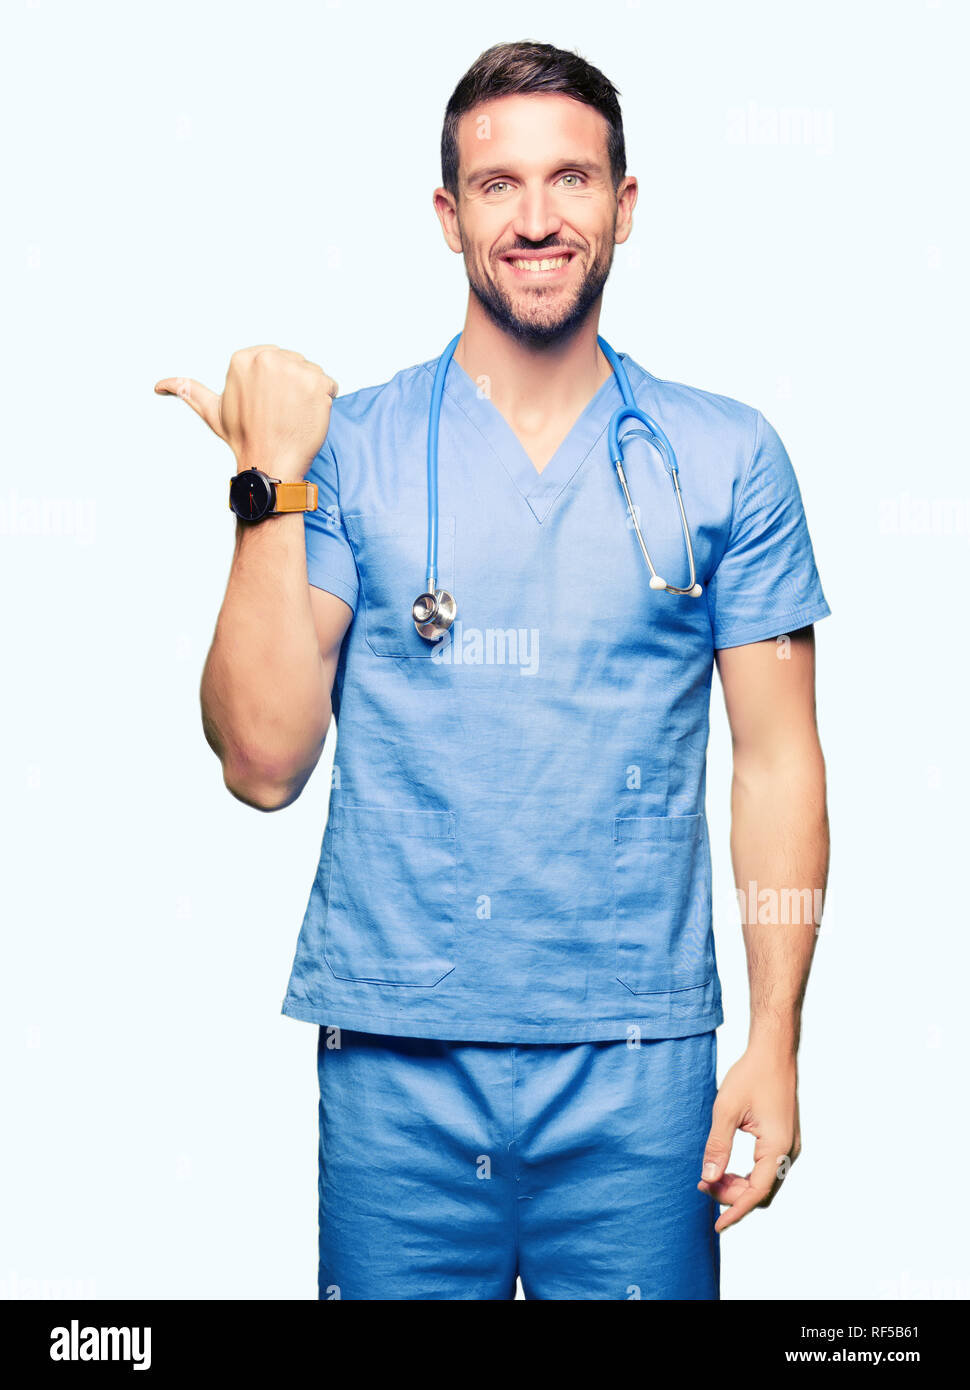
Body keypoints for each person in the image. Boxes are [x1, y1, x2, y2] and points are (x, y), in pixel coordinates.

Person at [155, 40, 831, 1301]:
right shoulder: (341, 450)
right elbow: (260, 763)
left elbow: (777, 760)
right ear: (446, 213)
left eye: (570, 180)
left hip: (640, 1065)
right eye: (496, 184)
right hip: (396, 1068)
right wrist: (266, 488)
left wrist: (776, 1040)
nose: (534, 219)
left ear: (624, 207)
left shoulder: (726, 455)